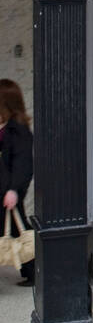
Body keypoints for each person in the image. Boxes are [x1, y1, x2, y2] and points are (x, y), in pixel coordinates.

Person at [0, 79, 34, 286]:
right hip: (3, 188)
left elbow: (22, 165)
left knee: (19, 230)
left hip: (8, 190)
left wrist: (13, 190)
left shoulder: (18, 130)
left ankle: (35, 270)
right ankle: (33, 271)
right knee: (16, 229)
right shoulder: (4, 126)